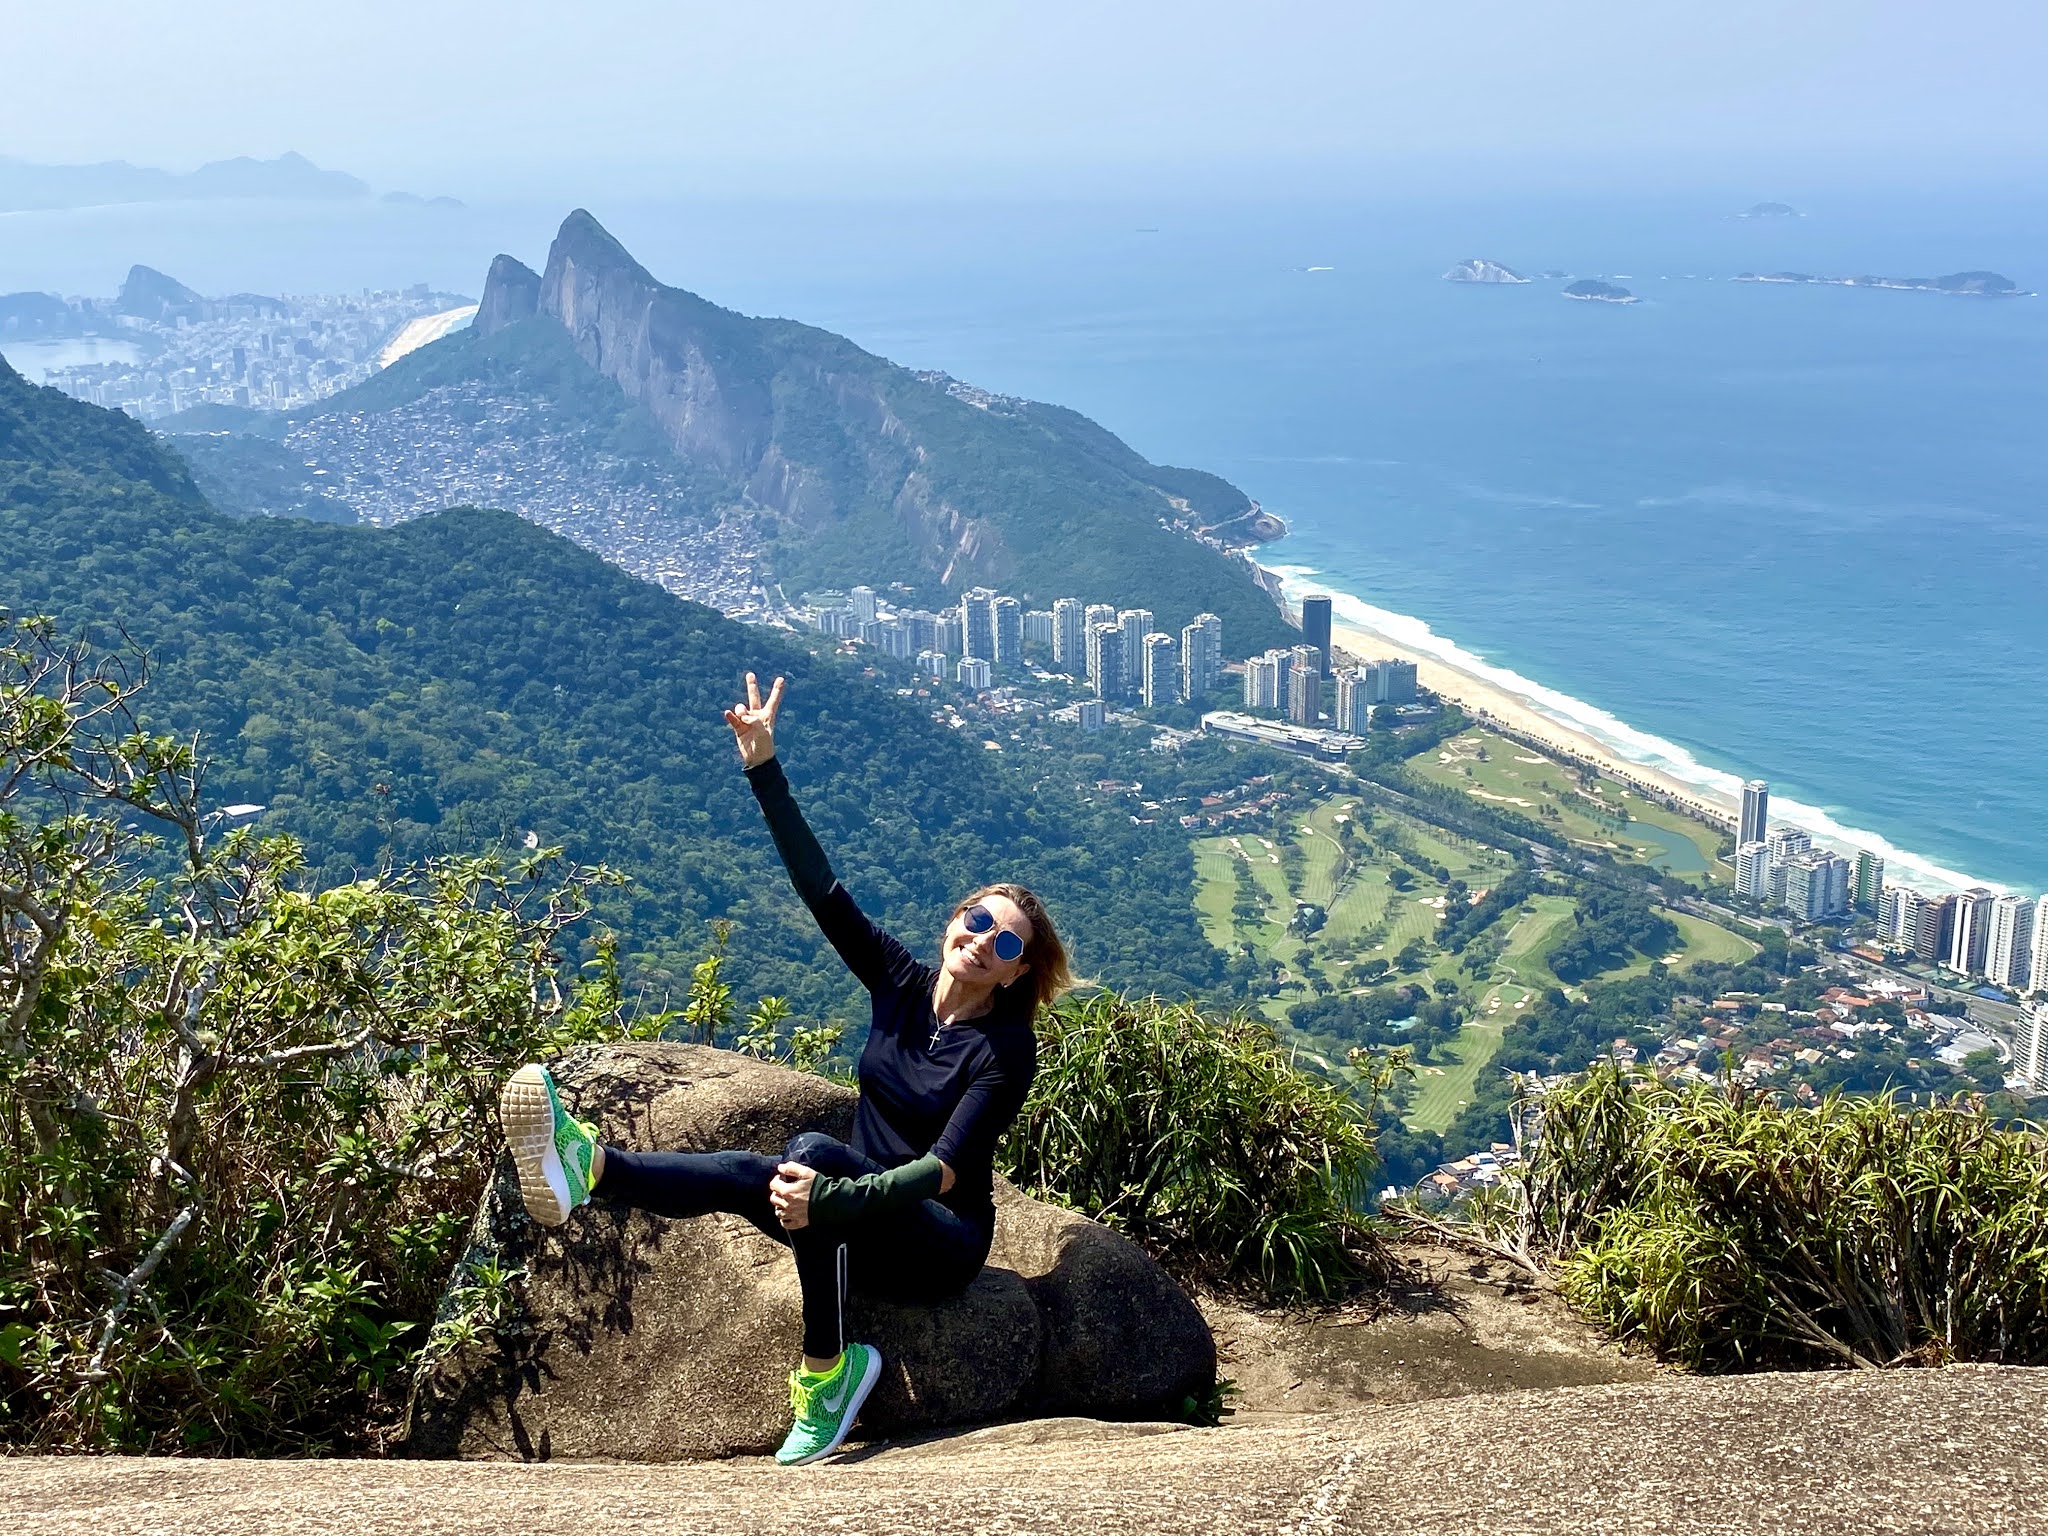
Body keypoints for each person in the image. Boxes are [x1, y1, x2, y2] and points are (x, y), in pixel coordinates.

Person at [499, 671, 1071, 1465]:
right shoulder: (900, 983)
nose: (982, 941)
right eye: (977, 921)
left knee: (804, 1162)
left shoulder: (1006, 1052)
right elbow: (821, 891)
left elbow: (944, 1172)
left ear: (1015, 974)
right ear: (954, 920)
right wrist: (763, 766)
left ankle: (828, 1371)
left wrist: (838, 1191)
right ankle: (587, 1167)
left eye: (1006, 944)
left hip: (937, 1240)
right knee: (750, 1174)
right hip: (854, 1208)